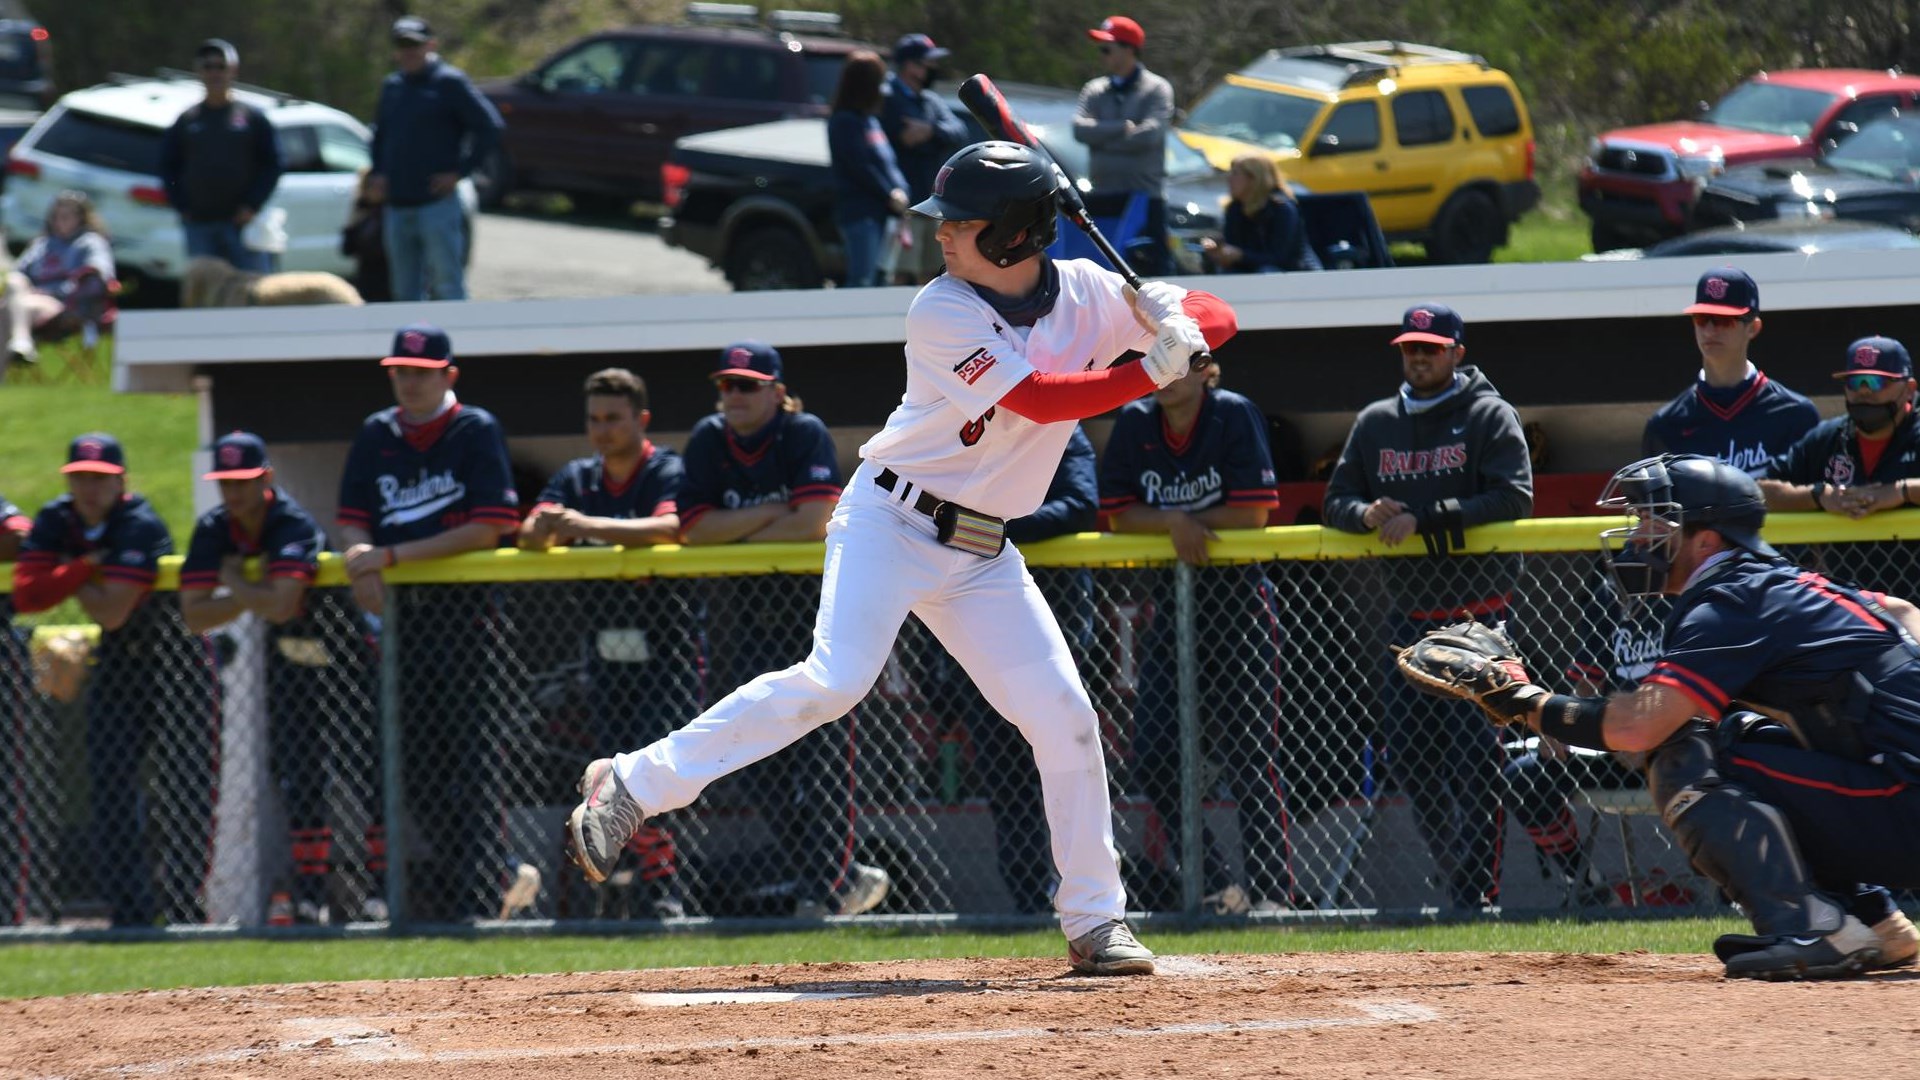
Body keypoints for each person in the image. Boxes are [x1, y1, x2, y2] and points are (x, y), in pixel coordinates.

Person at [565, 140, 1233, 975]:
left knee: (1066, 717)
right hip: (890, 520)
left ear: (1018, 235)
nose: (943, 233)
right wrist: (1147, 369)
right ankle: (632, 784)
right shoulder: (940, 308)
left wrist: (1177, 317)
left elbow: (1218, 314)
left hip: (985, 551)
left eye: (962, 221)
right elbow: (1034, 396)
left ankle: (1096, 922)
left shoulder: (1099, 296)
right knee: (837, 679)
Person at [1409, 453, 1920, 979]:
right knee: (1748, 732)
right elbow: (1904, 612)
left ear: (1707, 540)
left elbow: (1637, 727)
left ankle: (1815, 926)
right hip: (1899, 795)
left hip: (1906, 805)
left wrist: (1522, 701)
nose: (1637, 537)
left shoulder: (1727, 601)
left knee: (1686, 747)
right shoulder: (1777, 584)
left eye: (1655, 522)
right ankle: (1872, 920)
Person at [1323, 303, 1533, 910]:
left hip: (1480, 620)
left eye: (1432, 348)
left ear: (1457, 354)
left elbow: (1514, 498)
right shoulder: (1376, 421)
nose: (1419, 358)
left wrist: (1429, 518)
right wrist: (1363, 513)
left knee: (1477, 766)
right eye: (1411, 348)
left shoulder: (1490, 415)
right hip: (1410, 624)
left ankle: (1477, 895)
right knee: (1413, 763)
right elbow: (1336, 500)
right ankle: (1454, 874)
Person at [672, 341, 888, 919]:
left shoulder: (803, 432)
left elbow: (813, 521)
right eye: (726, 386)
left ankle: (831, 885)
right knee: (752, 761)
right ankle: (838, 880)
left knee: (818, 758)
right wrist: (774, 514)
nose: (733, 396)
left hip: (811, 617)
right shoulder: (708, 439)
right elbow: (692, 528)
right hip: (741, 622)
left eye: (746, 385)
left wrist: (737, 526)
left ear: (775, 390)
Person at [1099, 358, 1298, 914]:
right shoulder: (1137, 420)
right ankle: (1217, 884)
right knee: (1155, 756)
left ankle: (1272, 895)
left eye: (1176, 362)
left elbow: (1254, 514)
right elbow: (1118, 515)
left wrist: (1176, 518)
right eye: (1150, 361)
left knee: (1251, 757)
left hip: (1239, 609)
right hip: (1172, 609)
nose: (1160, 373)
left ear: (1207, 369)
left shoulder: (1232, 413)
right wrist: (1175, 523)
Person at [336, 323, 520, 919]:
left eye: (421, 371)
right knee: (407, 764)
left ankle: (488, 889)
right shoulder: (376, 432)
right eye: (400, 372)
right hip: (403, 621)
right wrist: (361, 560)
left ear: (448, 375)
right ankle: (486, 876)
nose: (409, 382)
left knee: (472, 759)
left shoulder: (475, 428)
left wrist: (389, 558)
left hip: (466, 618)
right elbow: (353, 516)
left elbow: (487, 527)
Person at [11, 435, 218, 926]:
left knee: (185, 788)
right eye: (80, 476)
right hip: (120, 665)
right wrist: (85, 566)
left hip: (176, 661)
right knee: (110, 787)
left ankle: (185, 907)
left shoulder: (138, 523)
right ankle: (129, 912)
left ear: (121, 481)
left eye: (99, 478)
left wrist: (66, 574)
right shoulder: (59, 518)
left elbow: (112, 610)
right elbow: (25, 594)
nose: (88, 487)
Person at [179, 432, 382, 925]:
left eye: (243, 482)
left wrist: (239, 584)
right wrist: (258, 593)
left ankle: (381, 892)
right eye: (225, 483)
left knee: (366, 773)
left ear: (266, 478)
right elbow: (193, 615)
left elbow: (284, 602)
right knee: (298, 774)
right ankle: (309, 895)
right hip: (289, 661)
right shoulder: (215, 527)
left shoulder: (290, 521)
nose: (233, 494)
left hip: (347, 658)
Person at [519, 368, 698, 919]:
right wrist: (550, 525)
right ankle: (636, 883)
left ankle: (663, 888)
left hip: (666, 645)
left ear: (640, 420)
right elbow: (529, 535)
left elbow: (673, 527)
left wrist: (580, 523)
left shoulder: (665, 467)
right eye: (594, 419)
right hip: (602, 647)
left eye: (614, 418)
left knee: (658, 764)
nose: (602, 430)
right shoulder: (577, 476)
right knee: (611, 767)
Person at [917, 425, 1100, 913]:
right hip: (975, 630)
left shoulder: (1062, 430)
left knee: (1065, 754)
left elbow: (1080, 504)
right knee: (1004, 772)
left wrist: (987, 526)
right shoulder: (960, 433)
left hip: (1051, 626)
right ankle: (1030, 901)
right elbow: (932, 522)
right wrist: (966, 524)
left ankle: (1086, 895)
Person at [368, 16, 502, 301]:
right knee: (403, 291)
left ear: (430, 45)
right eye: (402, 46)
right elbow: (380, 135)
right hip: (398, 204)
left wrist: (460, 172)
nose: (408, 52)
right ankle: (410, 346)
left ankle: (456, 343)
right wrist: (378, 172)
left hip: (436, 204)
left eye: (414, 45)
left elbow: (490, 127)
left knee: (447, 284)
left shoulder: (449, 82)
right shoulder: (393, 86)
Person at [1642, 267, 1818, 477]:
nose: (1709, 330)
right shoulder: (1665, 426)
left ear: (1753, 327)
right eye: (1701, 318)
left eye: (1723, 320)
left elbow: (1816, 498)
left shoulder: (1796, 416)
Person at [158, 39, 283, 274]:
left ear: (233, 70)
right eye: (208, 66)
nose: (214, 72)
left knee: (252, 291)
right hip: (200, 224)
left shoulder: (252, 118)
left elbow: (273, 164)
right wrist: (181, 205)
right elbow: (167, 166)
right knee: (207, 296)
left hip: (242, 224)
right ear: (199, 72)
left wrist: (252, 205)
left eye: (220, 66)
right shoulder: (188, 120)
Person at [1072, 16, 1174, 277]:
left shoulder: (1157, 89)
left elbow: (1150, 135)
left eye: (1108, 48)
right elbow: (1080, 130)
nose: (1102, 54)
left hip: (1144, 198)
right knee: (1103, 272)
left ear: (1129, 49)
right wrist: (1121, 128)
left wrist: (1101, 138)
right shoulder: (1094, 89)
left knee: (1152, 272)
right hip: (1103, 197)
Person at [879, 33, 967, 286]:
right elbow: (904, 138)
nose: (933, 69)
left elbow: (958, 131)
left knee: (932, 271)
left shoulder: (930, 101)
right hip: (904, 203)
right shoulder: (889, 98)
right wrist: (932, 135)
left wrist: (929, 130)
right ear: (910, 66)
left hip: (932, 202)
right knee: (902, 272)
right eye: (928, 63)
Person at [4, 190, 116, 367]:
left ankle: (21, 342)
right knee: (14, 283)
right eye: (55, 216)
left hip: (67, 305)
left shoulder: (90, 243)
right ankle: (21, 343)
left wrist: (51, 291)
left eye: (66, 216)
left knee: (12, 310)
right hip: (30, 300)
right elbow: (20, 271)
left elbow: (98, 276)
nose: (59, 221)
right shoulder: (43, 243)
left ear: (81, 218)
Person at [828, 51, 909, 289]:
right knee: (862, 280)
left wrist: (900, 191)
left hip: (885, 216)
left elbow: (887, 163)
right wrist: (889, 194)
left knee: (881, 280)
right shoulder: (844, 121)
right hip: (862, 215)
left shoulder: (870, 121)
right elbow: (860, 167)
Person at [1200, 154, 1321, 274]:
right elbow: (1232, 246)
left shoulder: (1281, 208)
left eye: (1235, 174)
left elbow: (1280, 257)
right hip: (1250, 268)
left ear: (1254, 179)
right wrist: (1220, 253)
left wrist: (1241, 255)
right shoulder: (1235, 209)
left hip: (1295, 272)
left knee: (1267, 272)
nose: (1229, 179)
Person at [341, 168, 391, 303]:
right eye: (372, 185)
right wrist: (351, 226)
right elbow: (346, 249)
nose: (376, 190)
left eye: (381, 186)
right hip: (367, 279)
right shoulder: (360, 210)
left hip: (390, 279)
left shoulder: (393, 213)